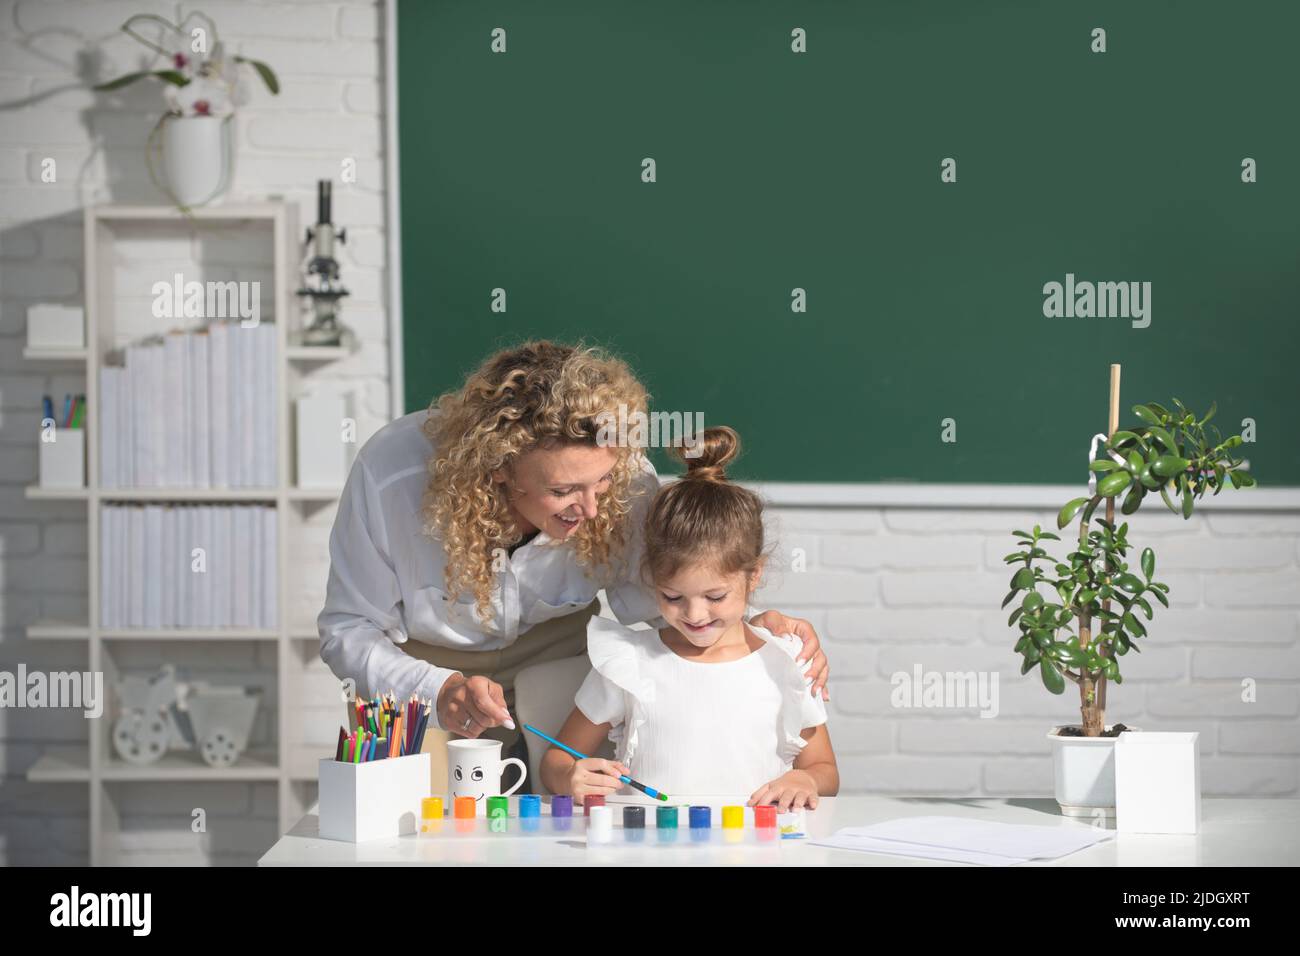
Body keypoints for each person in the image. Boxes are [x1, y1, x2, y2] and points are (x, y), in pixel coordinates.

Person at [318, 341, 832, 788]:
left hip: (558, 653)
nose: (590, 510)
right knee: (420, 832)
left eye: (601, 482)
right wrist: (439, 689)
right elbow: (349, 628)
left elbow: (666, 609)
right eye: (562, 490)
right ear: (497, 469)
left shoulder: (626, 480)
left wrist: (752, 635)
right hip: (424, 665)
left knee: (565, 820)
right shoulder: (392, 476)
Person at [540, 426, 839, 811]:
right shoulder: (628, 662)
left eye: (715, 596)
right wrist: (570, 777)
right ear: (651, 577)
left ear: (754, 575)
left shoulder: (785, 662)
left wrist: (805, 777)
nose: (695, 614)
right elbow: (556, 761)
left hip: (754, 851)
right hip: (650, 850)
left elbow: (824, 769)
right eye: (672, 596)